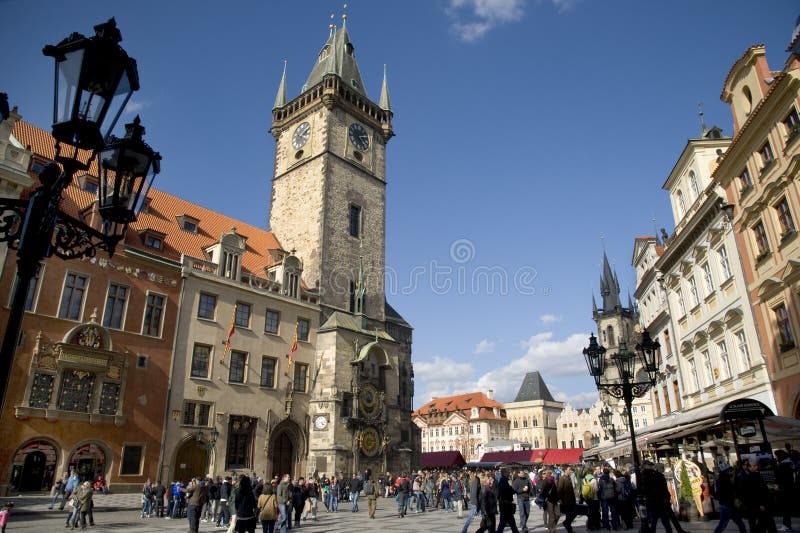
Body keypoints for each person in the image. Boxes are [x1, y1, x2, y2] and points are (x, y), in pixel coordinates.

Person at [713, 462, 746, 533]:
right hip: (727, 505)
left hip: (726, 505)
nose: (731, 471)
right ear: (727, 470)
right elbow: (730, 491)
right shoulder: (725, 480)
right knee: (723, 525)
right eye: (729, 470)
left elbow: (717, 493)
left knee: (724, 525)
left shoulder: (720, 479)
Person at [775, 450, 796, 532]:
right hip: (790, 489)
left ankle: (786, 525)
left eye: (776, 455)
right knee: (787, 508)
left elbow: (783, 478)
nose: (776, 457)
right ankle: (787, 525)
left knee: (785, 509)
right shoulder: (789, 463)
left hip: (785, 490)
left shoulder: (783, 465)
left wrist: (779, 486)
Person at [497, 467, 520, 533]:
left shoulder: (506, 480)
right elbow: (505, 492)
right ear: (505, 473)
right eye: (508, 472)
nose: (509, 473)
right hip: (505, 504)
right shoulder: (503, 481)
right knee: (504, 522)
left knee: (510, 522)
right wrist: (511, 488)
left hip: (506, 504)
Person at [558, 466, 578, 533]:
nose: (570, 470)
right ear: (565, 470)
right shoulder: (562, 478)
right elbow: (559, 490)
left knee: (574, 513)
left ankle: (567, 524)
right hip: (566, 501)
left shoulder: (568, 477)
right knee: (569, 515)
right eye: (569, 469)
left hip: (571, 500)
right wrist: (561, 500)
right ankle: (569, 529)